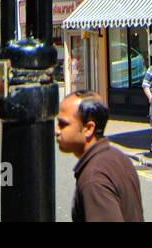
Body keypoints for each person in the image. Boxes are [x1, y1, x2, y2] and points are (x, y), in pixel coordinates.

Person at [54, 90, 143, 222]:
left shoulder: (93, 178)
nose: (56, 130)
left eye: (63, 124)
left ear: (88, 128)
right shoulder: (118, 157)